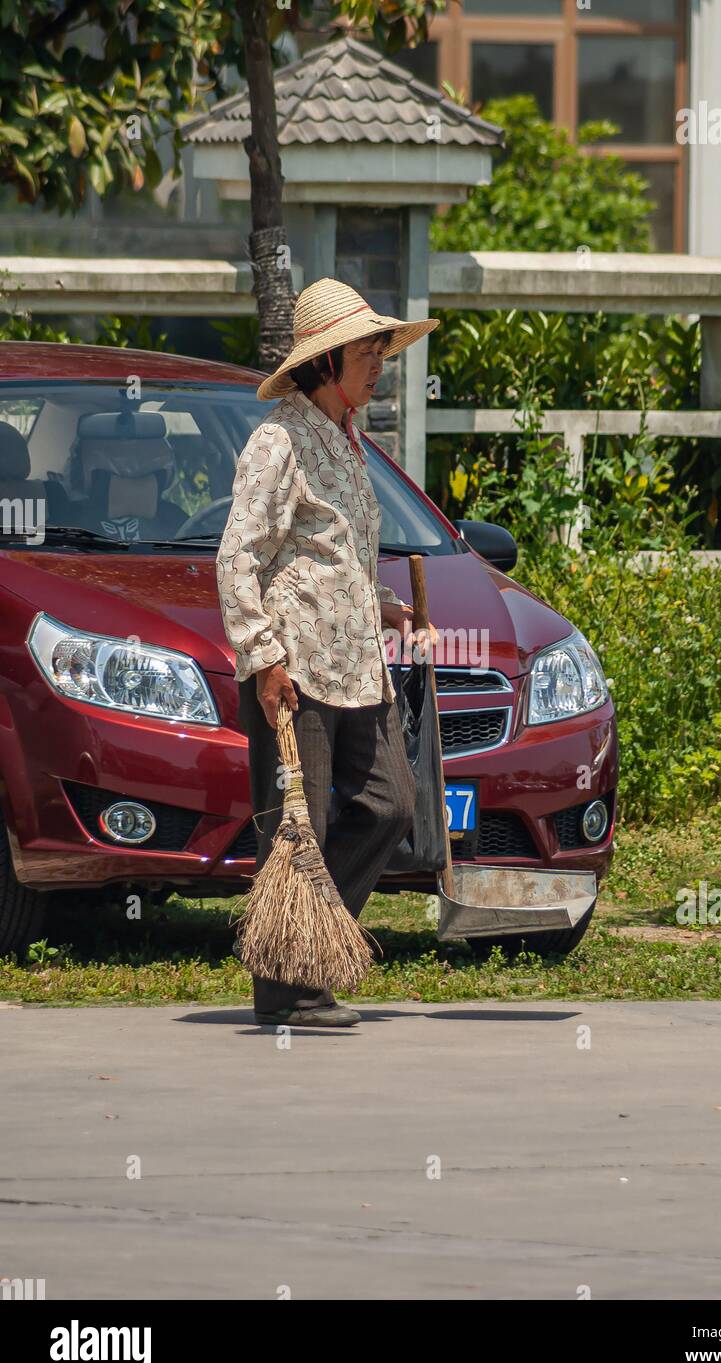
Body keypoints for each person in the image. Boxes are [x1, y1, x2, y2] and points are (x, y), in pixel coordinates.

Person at [216, 278, 440, 1028]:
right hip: (298, 674)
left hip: (356, 670)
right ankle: (287, 991)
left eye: (381, 351)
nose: (379, 364)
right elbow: (239, 558)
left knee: (390, 804)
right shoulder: (278, 441)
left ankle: (308, 943)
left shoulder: (347, 439)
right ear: (325, 360)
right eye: (367, 352)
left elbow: (328, 559)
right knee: (295, 827)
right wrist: (262, 658)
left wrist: (387, 609)